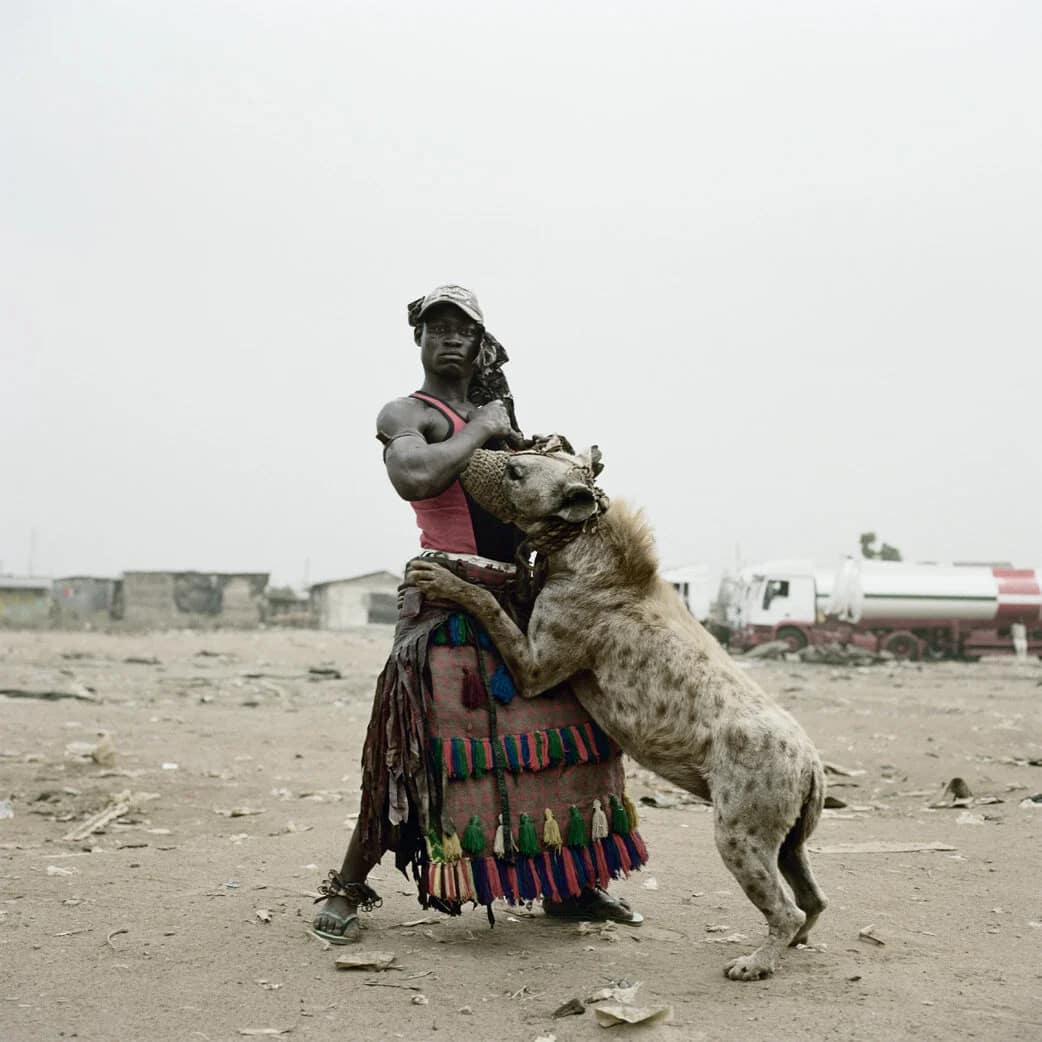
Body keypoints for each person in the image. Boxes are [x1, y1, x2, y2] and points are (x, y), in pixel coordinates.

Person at [311, 285, 647, 944]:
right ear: (420, 341)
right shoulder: (410, 412)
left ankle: (572, 887)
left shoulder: (499, 416)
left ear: (483, 342)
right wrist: (485, 430)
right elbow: (413, 477)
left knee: (572, 741)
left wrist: (546, 455)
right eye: (437, 328)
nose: (451, 338)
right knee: (412, 755)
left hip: (522, 605)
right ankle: (350, 886)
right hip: (446, 605)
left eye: (463, 328)